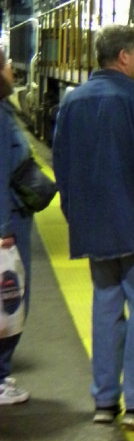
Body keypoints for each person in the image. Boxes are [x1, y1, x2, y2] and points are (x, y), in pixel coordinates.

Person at [52, 24, 134, 429]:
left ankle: (105, 403)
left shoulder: (72, 103)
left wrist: (78, 216)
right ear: (124, 57)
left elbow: (62, 168)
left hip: (96, 229)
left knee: (106, 307)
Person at [0, 48, 33, 405]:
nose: (12, 70)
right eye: (8, 65)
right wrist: (4, 228)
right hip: (8, 222)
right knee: (10, 298)